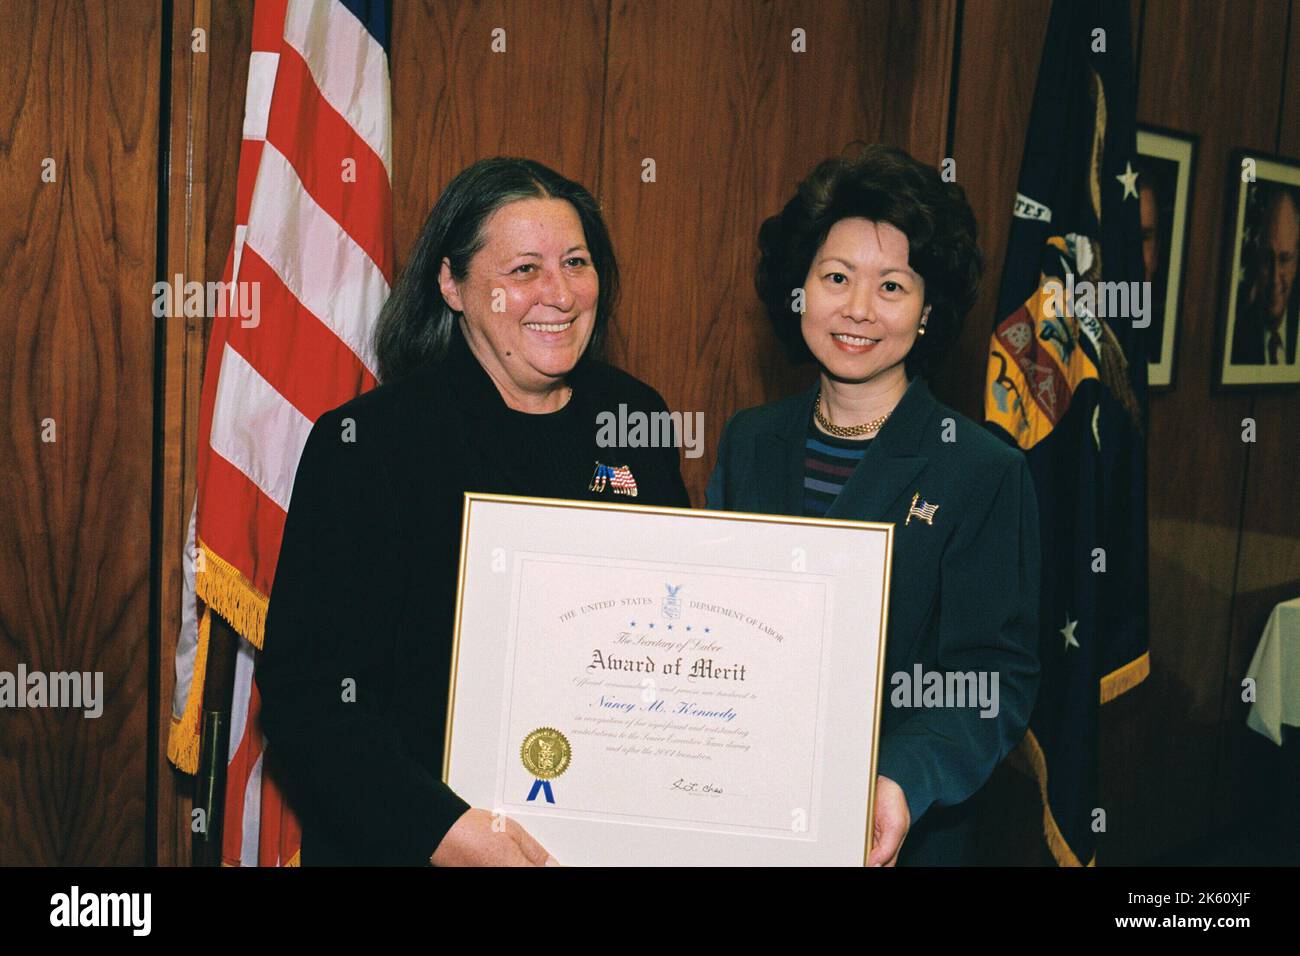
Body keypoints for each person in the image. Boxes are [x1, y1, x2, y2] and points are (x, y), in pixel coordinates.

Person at [256, 157, 689, 866]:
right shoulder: (371, 444)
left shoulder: (636, 416)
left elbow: (671, 632)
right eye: (523, 270)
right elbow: (309, 700)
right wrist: (439, 831)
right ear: (453, 285)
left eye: (576, 262)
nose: (558, 293)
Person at [707, 144, 1041, 866]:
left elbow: (993, 678)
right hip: (740, 810)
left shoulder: (982, 471)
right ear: (799, 290)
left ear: (928, 311)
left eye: (892, 287)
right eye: (835, 278)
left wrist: (902, 779)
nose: (858, 309)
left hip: (895, 831)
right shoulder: (748, 442)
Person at [1231, 185, 1300, 366]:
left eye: (1284, 260)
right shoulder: (1235, 337)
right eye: (1267, 260)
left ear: (1296, 261)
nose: (1275, 277)